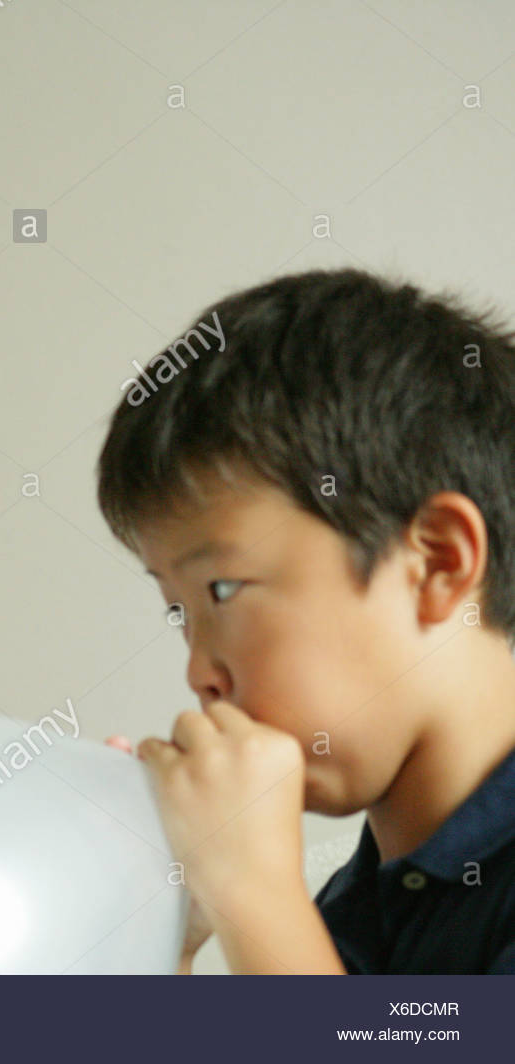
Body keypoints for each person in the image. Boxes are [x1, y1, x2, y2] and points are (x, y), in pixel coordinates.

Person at [96, 267, 515, 974]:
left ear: (438, 562)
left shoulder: (283, 908)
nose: (199, 672)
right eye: (178, 612)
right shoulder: (344, 918)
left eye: (223, 589)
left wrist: (251, 891)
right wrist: (167, 929)